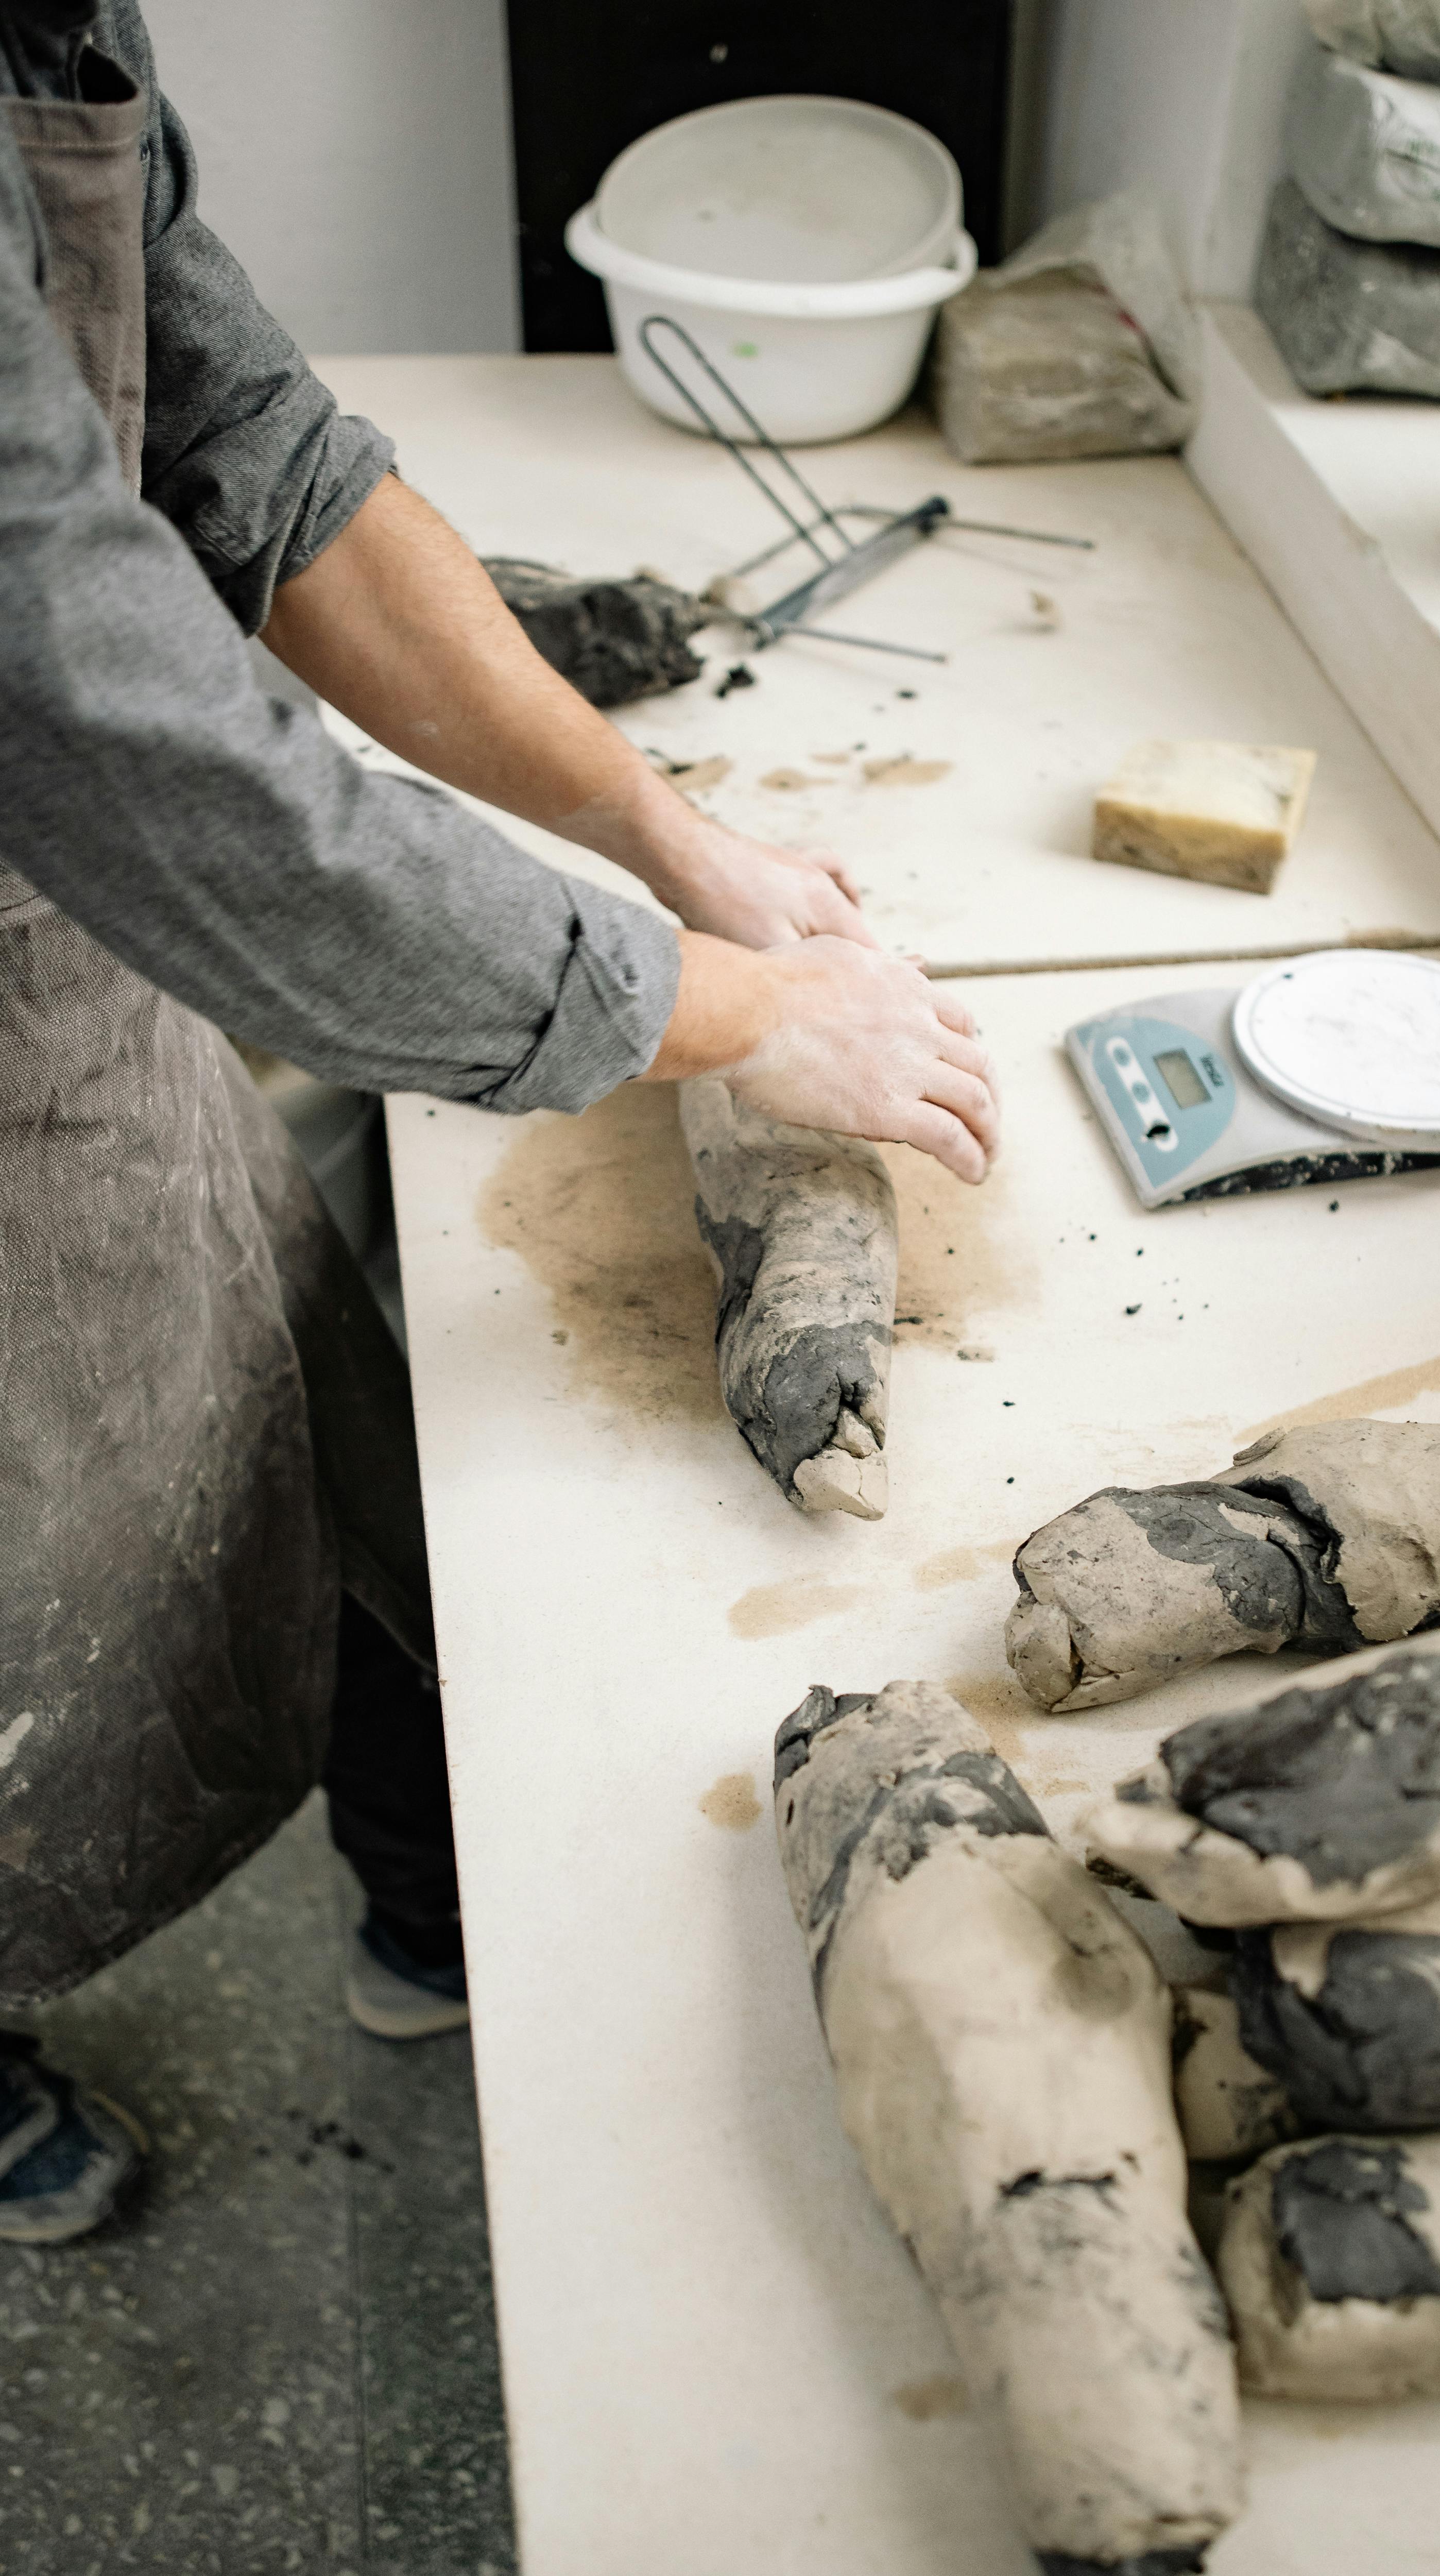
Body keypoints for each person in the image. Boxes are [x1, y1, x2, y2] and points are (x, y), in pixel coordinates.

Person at [0, 0, 1000, 2243]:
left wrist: (667, 835)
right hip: (62, 812)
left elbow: (260, 450)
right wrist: (728, 1011)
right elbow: (82, 691)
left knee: (302, 1424)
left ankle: (425, 1907)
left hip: (69, 946)